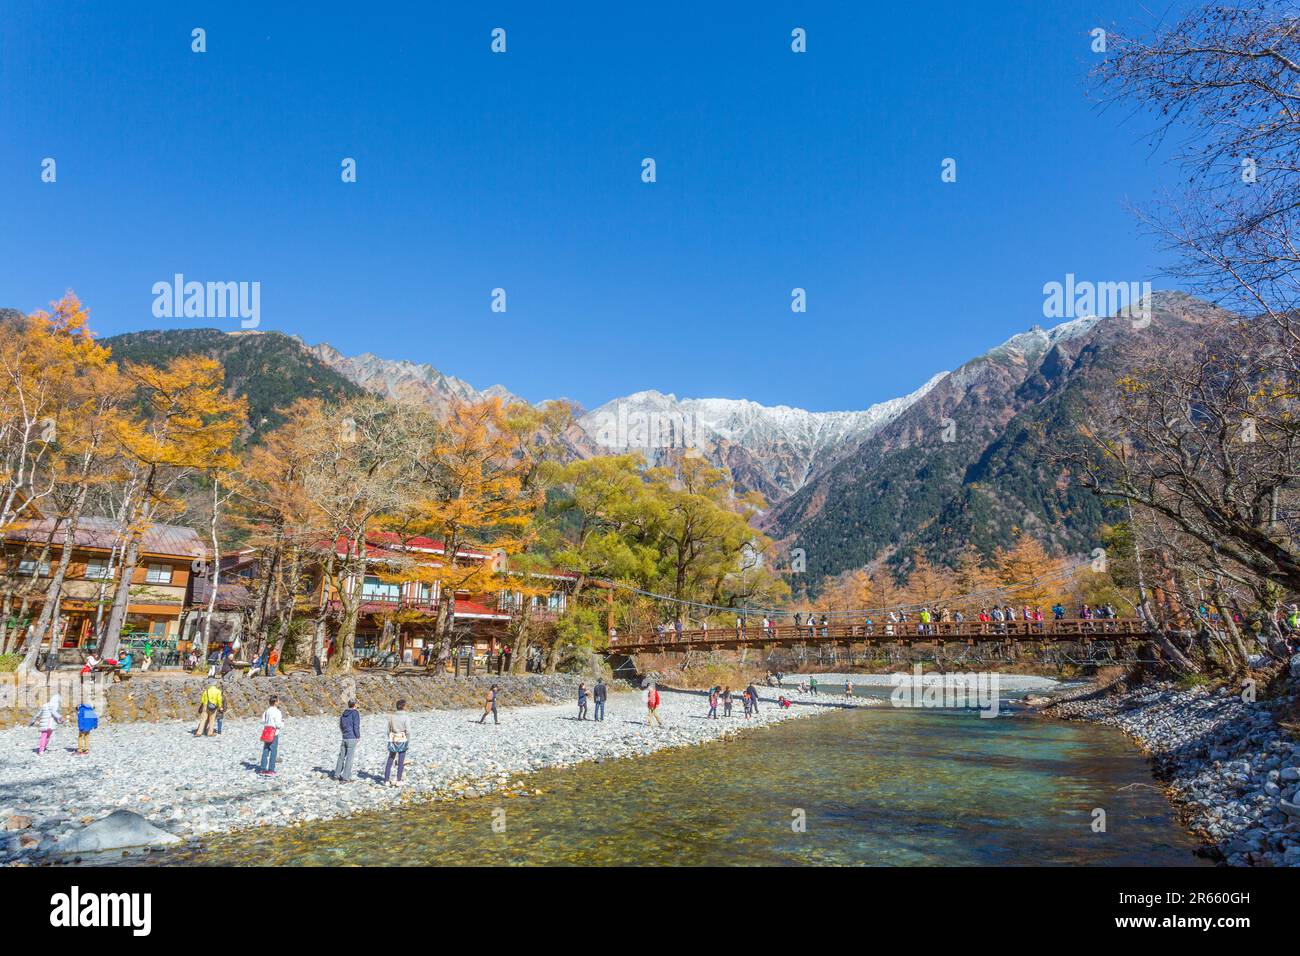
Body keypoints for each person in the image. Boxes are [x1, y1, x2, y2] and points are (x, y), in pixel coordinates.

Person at [335, 698, 361, 782]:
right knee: (349, 758)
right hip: (352, 737)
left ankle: (336, 775)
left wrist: (343, 733)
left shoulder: (343, 713)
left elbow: (340, 725)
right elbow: (356, 725)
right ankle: (345, 777)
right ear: (355, 704)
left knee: (341, 757)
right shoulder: (355, 713)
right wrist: (358, 736)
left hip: (344, 737)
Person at [385, 699, 410, 786]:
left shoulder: (391, 717)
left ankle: (386, 780)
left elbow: (388, 731)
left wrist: (390, 738)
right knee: (401, 761)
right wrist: (408, 740)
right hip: (402, 739)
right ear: (403, 706)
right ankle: (398, 780)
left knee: (390, 759)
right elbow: (408, 731)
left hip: (393, 739)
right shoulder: (406, 717)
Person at [258, 695, 283, 775]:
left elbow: (263, 721)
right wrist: (282, 723)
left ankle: (262, 769)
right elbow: (278, 725)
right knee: (273, 751)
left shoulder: (267, 711)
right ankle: (271, 770)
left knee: (266, 750)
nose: (279, 702)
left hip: (266, 731)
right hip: (274, 732)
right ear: (275, 702)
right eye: (278, 701)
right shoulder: (277, 712)